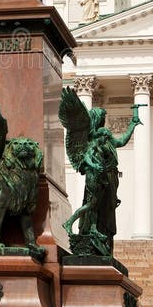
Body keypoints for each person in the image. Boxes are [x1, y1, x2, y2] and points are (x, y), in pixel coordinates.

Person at [64, 105, 141, 255]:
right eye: (102, 117)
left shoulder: (104, 137)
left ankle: (103, 238)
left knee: (105, 209)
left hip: (110, 177)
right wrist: (95, 166)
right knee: (94, 204)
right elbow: (86, 159)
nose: (104, 121)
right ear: (96, 118)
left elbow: (121, 142)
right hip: (97, 176)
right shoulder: (91, 140)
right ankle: (87, 229)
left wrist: (133, 124)